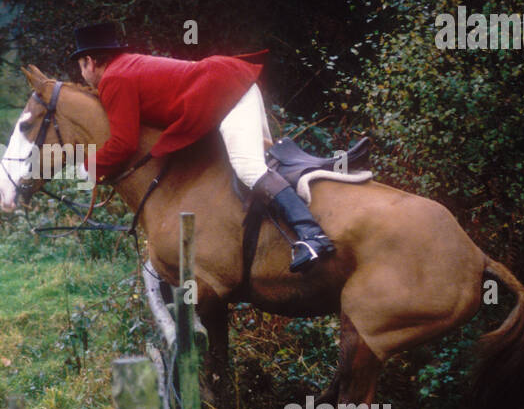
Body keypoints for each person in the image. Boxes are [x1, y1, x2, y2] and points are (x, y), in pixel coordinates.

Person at [72, 22, 334, 272]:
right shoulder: (125, 67)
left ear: (91, 62)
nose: (83, 76)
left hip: (226, 91)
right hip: (227, 85)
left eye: (81, 67)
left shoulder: (114, 78)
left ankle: (312, 234)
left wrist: (88, 168)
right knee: (262, 164)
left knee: (249, 168)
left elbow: (123, 143)